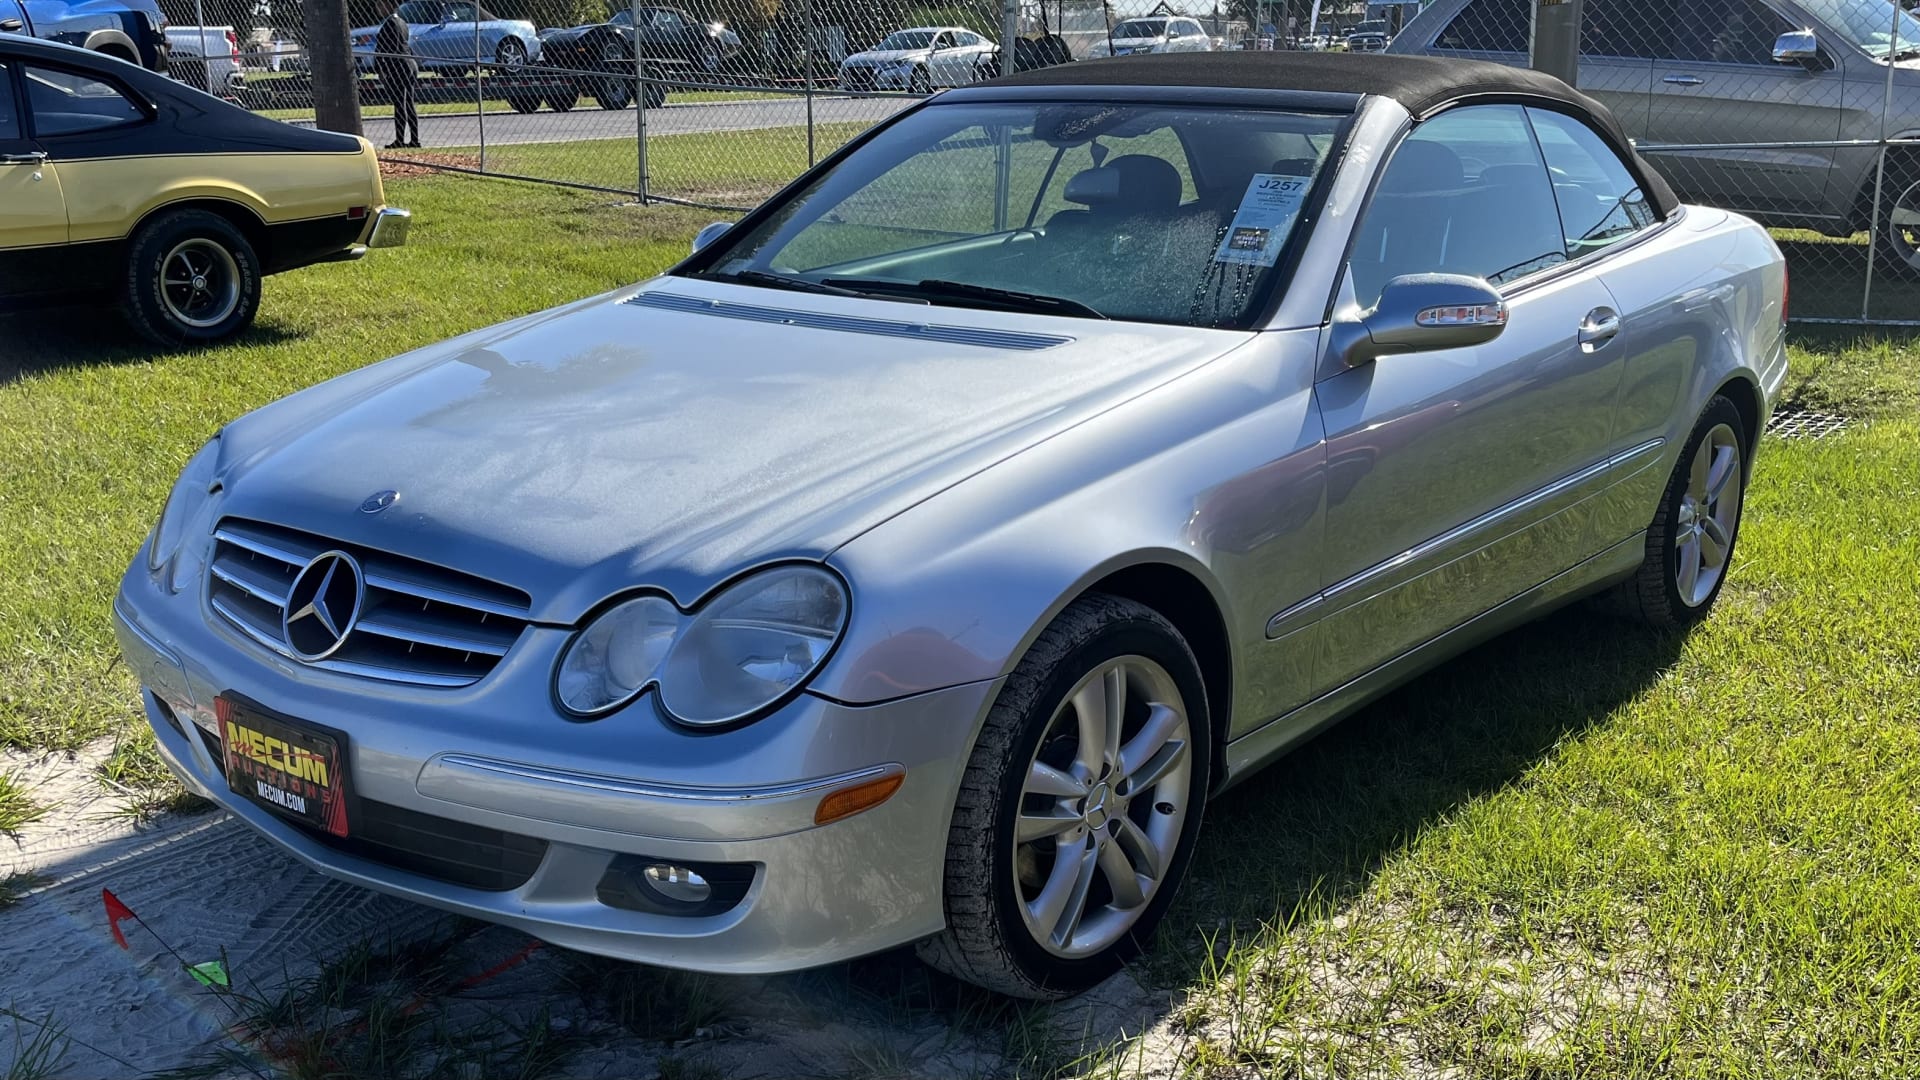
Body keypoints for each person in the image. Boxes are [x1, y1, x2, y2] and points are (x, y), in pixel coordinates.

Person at [374, 0, 420, 149]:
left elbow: (386, 49)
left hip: (398, 66)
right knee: (408, 103)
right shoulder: (402, 22)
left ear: (387, 5)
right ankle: (414, 139)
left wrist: (381, 68)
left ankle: (400, 139)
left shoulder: (390, 24)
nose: (378, 8)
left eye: (380, 5)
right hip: (409, 63)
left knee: (400, 104)